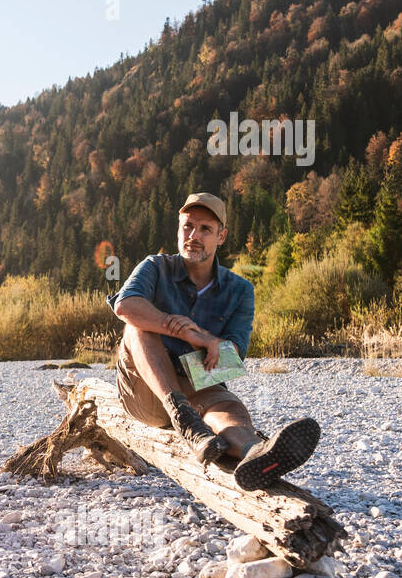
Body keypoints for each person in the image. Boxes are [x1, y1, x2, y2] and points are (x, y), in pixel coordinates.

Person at [107, 192, 320, 490]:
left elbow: (233, 358)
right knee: (138, 328)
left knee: (229, 413)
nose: (193, 236)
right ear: (178, 228)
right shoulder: (155, 267)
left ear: (221, 236)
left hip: (199, 385)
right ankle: (183, 417)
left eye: (205, 229)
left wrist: (208, 340)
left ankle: (255, 455)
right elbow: (125, 306)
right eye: (187, 226)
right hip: (146, 393)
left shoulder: (240, 290)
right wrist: (186, 332)